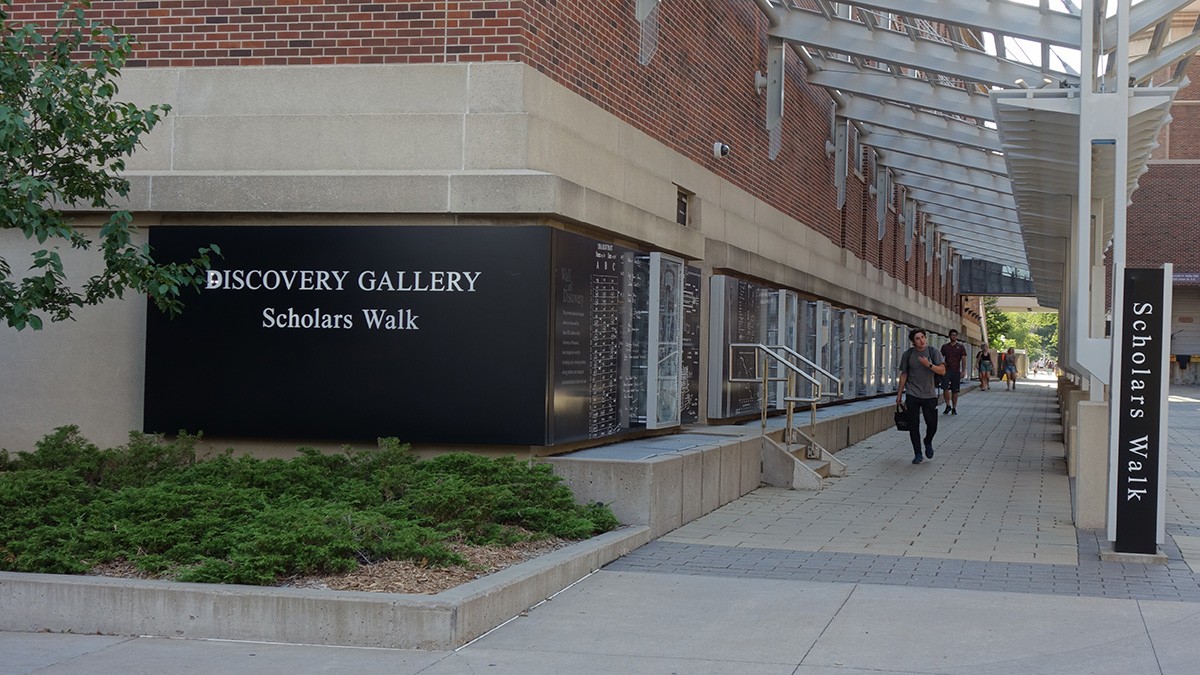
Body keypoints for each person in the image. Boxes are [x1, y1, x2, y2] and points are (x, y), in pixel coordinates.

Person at [896, 328, 947, 465]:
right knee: (913, 425)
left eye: (923, 337)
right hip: (912, 393)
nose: (921, 340)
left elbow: (942, 371)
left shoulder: (933, 351)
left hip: (929, 394)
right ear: (913, 342)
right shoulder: (908, 354)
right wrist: (900, 393)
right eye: (918, 338)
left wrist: (928, 364)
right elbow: (904, 375)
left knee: (932, 424)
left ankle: (928, 440)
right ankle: (917, 453)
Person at [940, 329, 967, 415]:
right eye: (952, 335)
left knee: (955, 390)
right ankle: (948, 405)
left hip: (956, 370)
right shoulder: (945, 347)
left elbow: (963, 359)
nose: (953, 336)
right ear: (949, 336)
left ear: (957, 336)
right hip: (946, 370)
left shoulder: (961, 347)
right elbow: (941, 358)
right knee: (945, 387)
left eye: (955, 335)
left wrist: (963, 371)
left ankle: (954, 407)